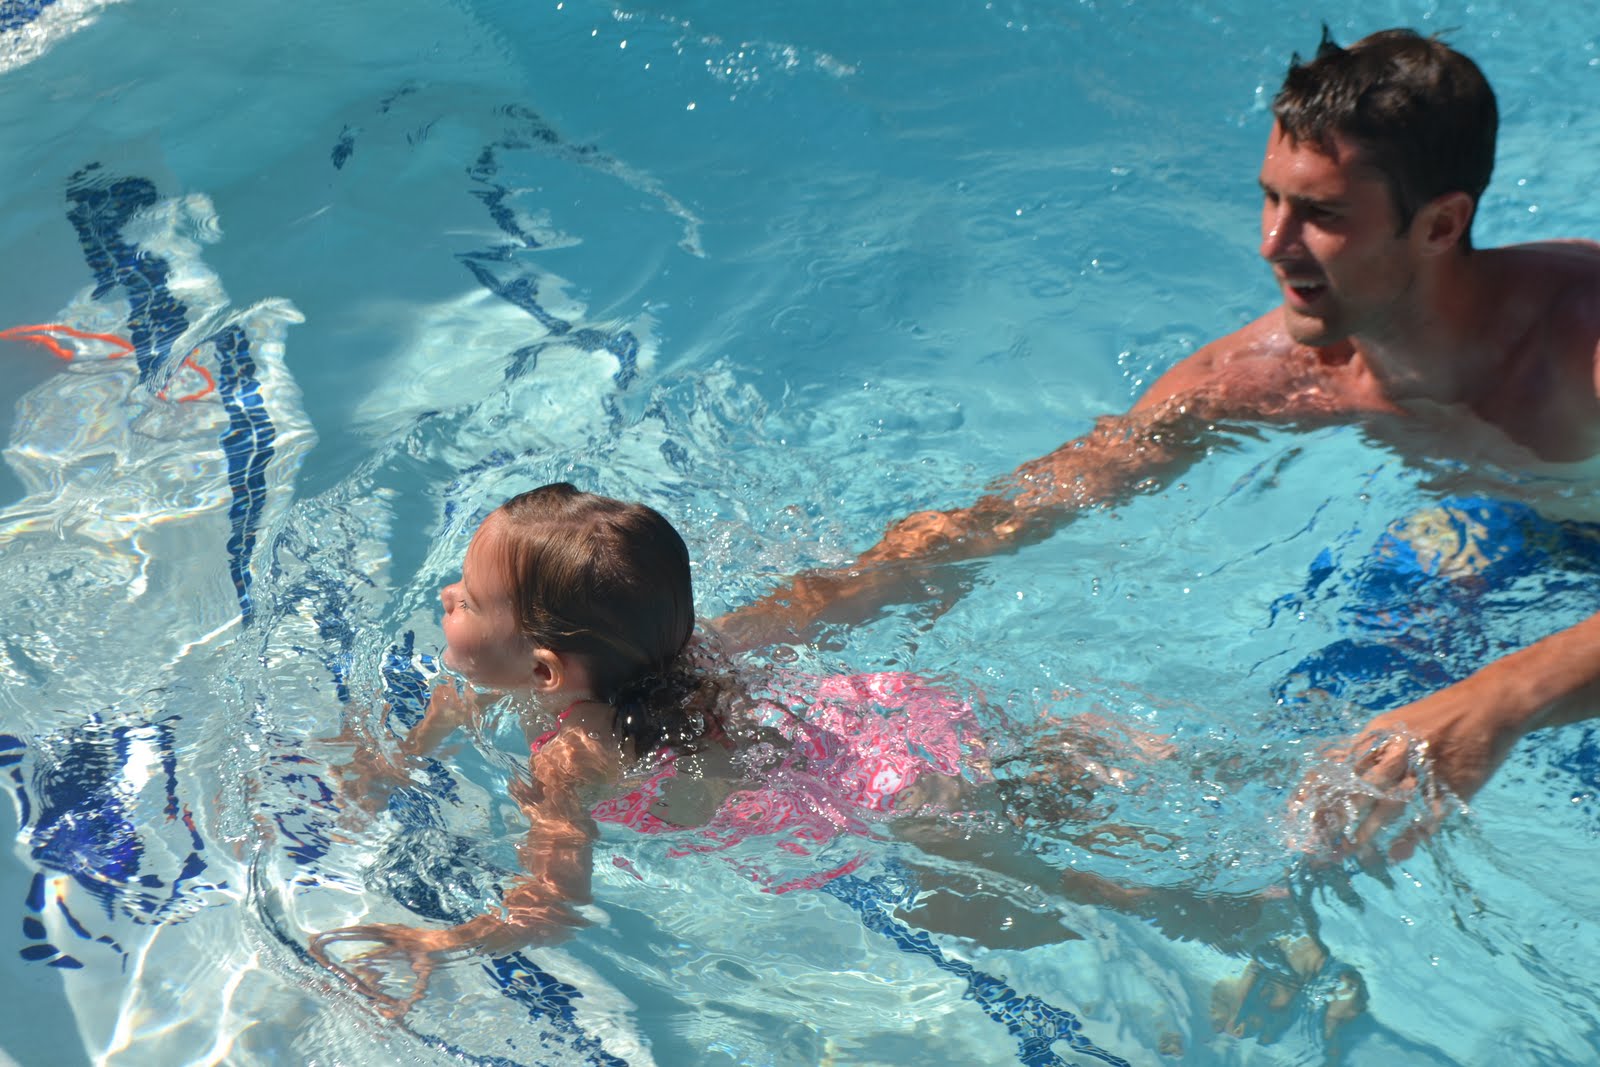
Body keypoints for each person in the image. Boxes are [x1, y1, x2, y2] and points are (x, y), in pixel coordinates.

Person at [715, 27, 1600, 859]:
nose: (1272, 243)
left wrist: (1499, 699)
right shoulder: (1274, 373)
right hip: (1506, 528)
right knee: (1320, 775)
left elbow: (1497, 699)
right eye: (1270, 198)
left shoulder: (1577, 348)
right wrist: (750, 631)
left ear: (1440, 225)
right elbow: (1021, 509)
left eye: (1321, 214)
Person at [310, 483, 1012, 1019]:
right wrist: (392, 759)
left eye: (466, 600)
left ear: (545, 672)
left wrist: (448, 941)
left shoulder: (570, 759)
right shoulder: (697, 642)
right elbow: (842, 594)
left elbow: (551, 903)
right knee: (1025, 789)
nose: (445, 594)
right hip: (880, 725)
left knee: (977, 909)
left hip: (866, 803)